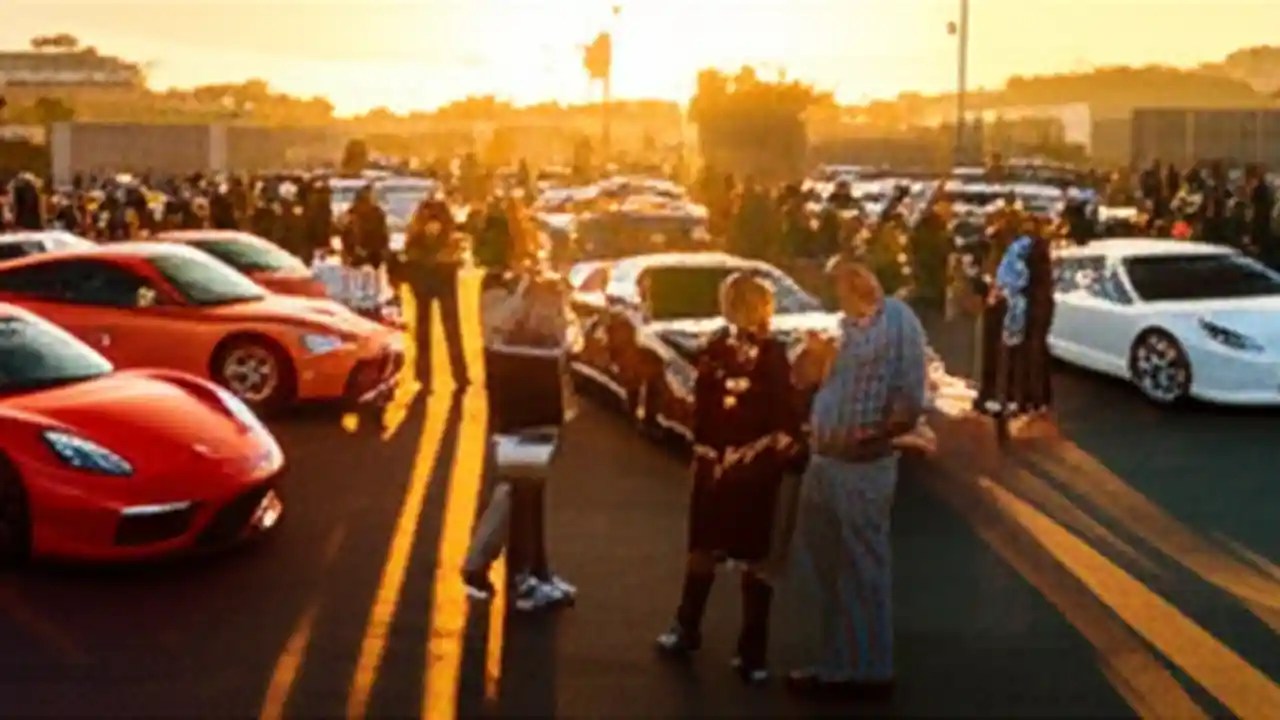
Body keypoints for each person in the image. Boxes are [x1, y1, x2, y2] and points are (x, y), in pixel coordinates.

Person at [785, 255, 927, 700]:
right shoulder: (839, 330)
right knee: (828, 568)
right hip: (823, 461)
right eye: (843, 285)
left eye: (858, 277)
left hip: (863, 467)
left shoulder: (900, 322)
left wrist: (876, 437)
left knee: (864, 566)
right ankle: (839, 662)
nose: (852, 288)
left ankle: (870, 670)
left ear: (874, 277)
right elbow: (801, 381)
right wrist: (813, 357)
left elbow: (910, 401)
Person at [654, 272, 802, 684]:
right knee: (703, 548)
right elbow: (702, 404)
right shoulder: (715, 349)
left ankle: (752, 651)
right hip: (714, 464)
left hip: (754, 466)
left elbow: (783, 413)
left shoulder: (775, 354)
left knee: (754, 559)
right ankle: (688, 628)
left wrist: (779, 451)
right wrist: (701, 447)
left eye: (743, 302)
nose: (736, 310)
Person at [974, 215, 1055, 420]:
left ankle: (1009, 399)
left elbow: (1008, 283)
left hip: (1019, 308)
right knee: (1032, 354)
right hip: (1036, 306)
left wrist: (994, 291)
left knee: (1011, 355)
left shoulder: (1018, 253)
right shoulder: (1036, 250)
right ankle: (1034, 399)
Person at [404, 195, 468, 391]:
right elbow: (410, 256)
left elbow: (457, 258)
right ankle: (426, 376)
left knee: (450, 329)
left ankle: (459, 375)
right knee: (426, 331)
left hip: (441, 283)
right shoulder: (418, 237)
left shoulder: (448, 237)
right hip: (428, 284)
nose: (433, 225)